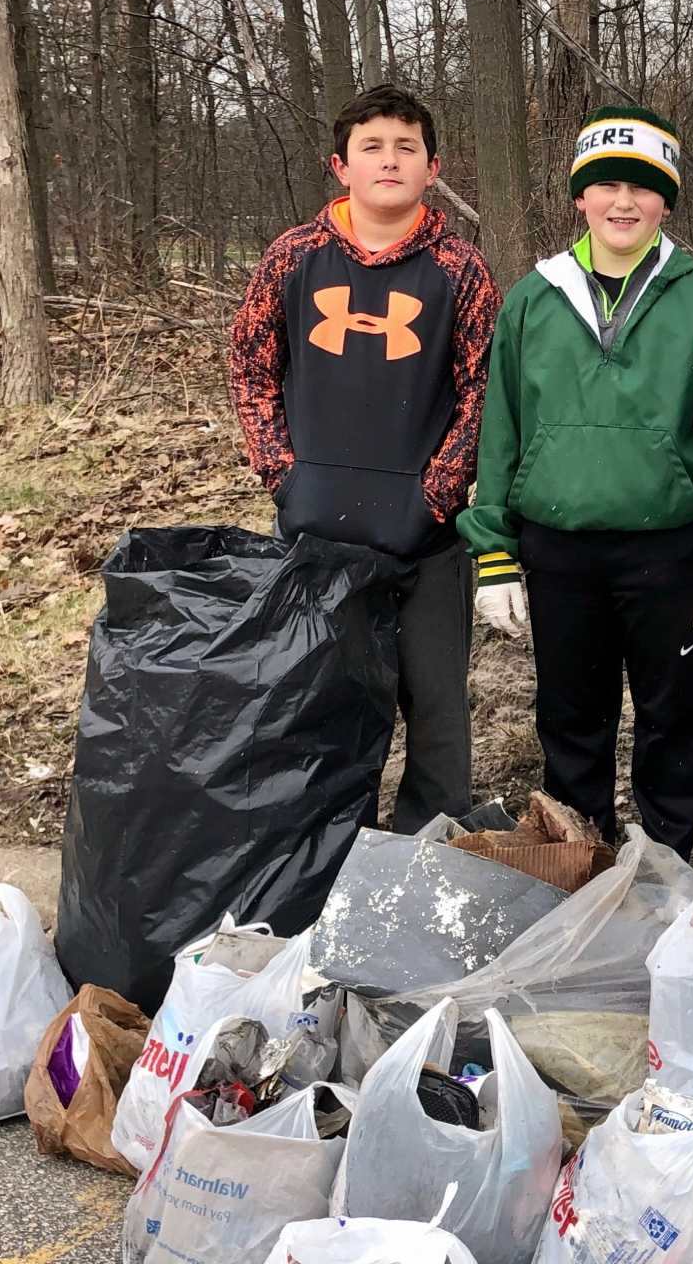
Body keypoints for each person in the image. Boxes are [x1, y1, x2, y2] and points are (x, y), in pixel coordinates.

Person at [457, 105, 693, 862]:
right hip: (558, 549)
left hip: (670, 551)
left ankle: (666, 869)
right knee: (571, 720)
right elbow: (500, 431)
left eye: (643, 187)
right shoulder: (534, 298)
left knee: (671, 721)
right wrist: (494, 550)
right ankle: (579, 866)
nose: (623, 202)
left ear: (666, 201)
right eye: (606, 186)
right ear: (579, 198)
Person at [229, 82, 500, 830]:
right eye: (371, 147)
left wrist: (436, 496)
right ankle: (322, 855)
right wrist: (283, 475)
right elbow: (251, 365)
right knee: (321, 703)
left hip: (428, 542)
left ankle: (426, 863)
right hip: (317, 531)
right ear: (340, 165)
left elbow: (485, 391)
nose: (389, 161)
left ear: (431, 166)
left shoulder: (462, 271)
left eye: (406, 148)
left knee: (438, 715)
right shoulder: (293, 258)